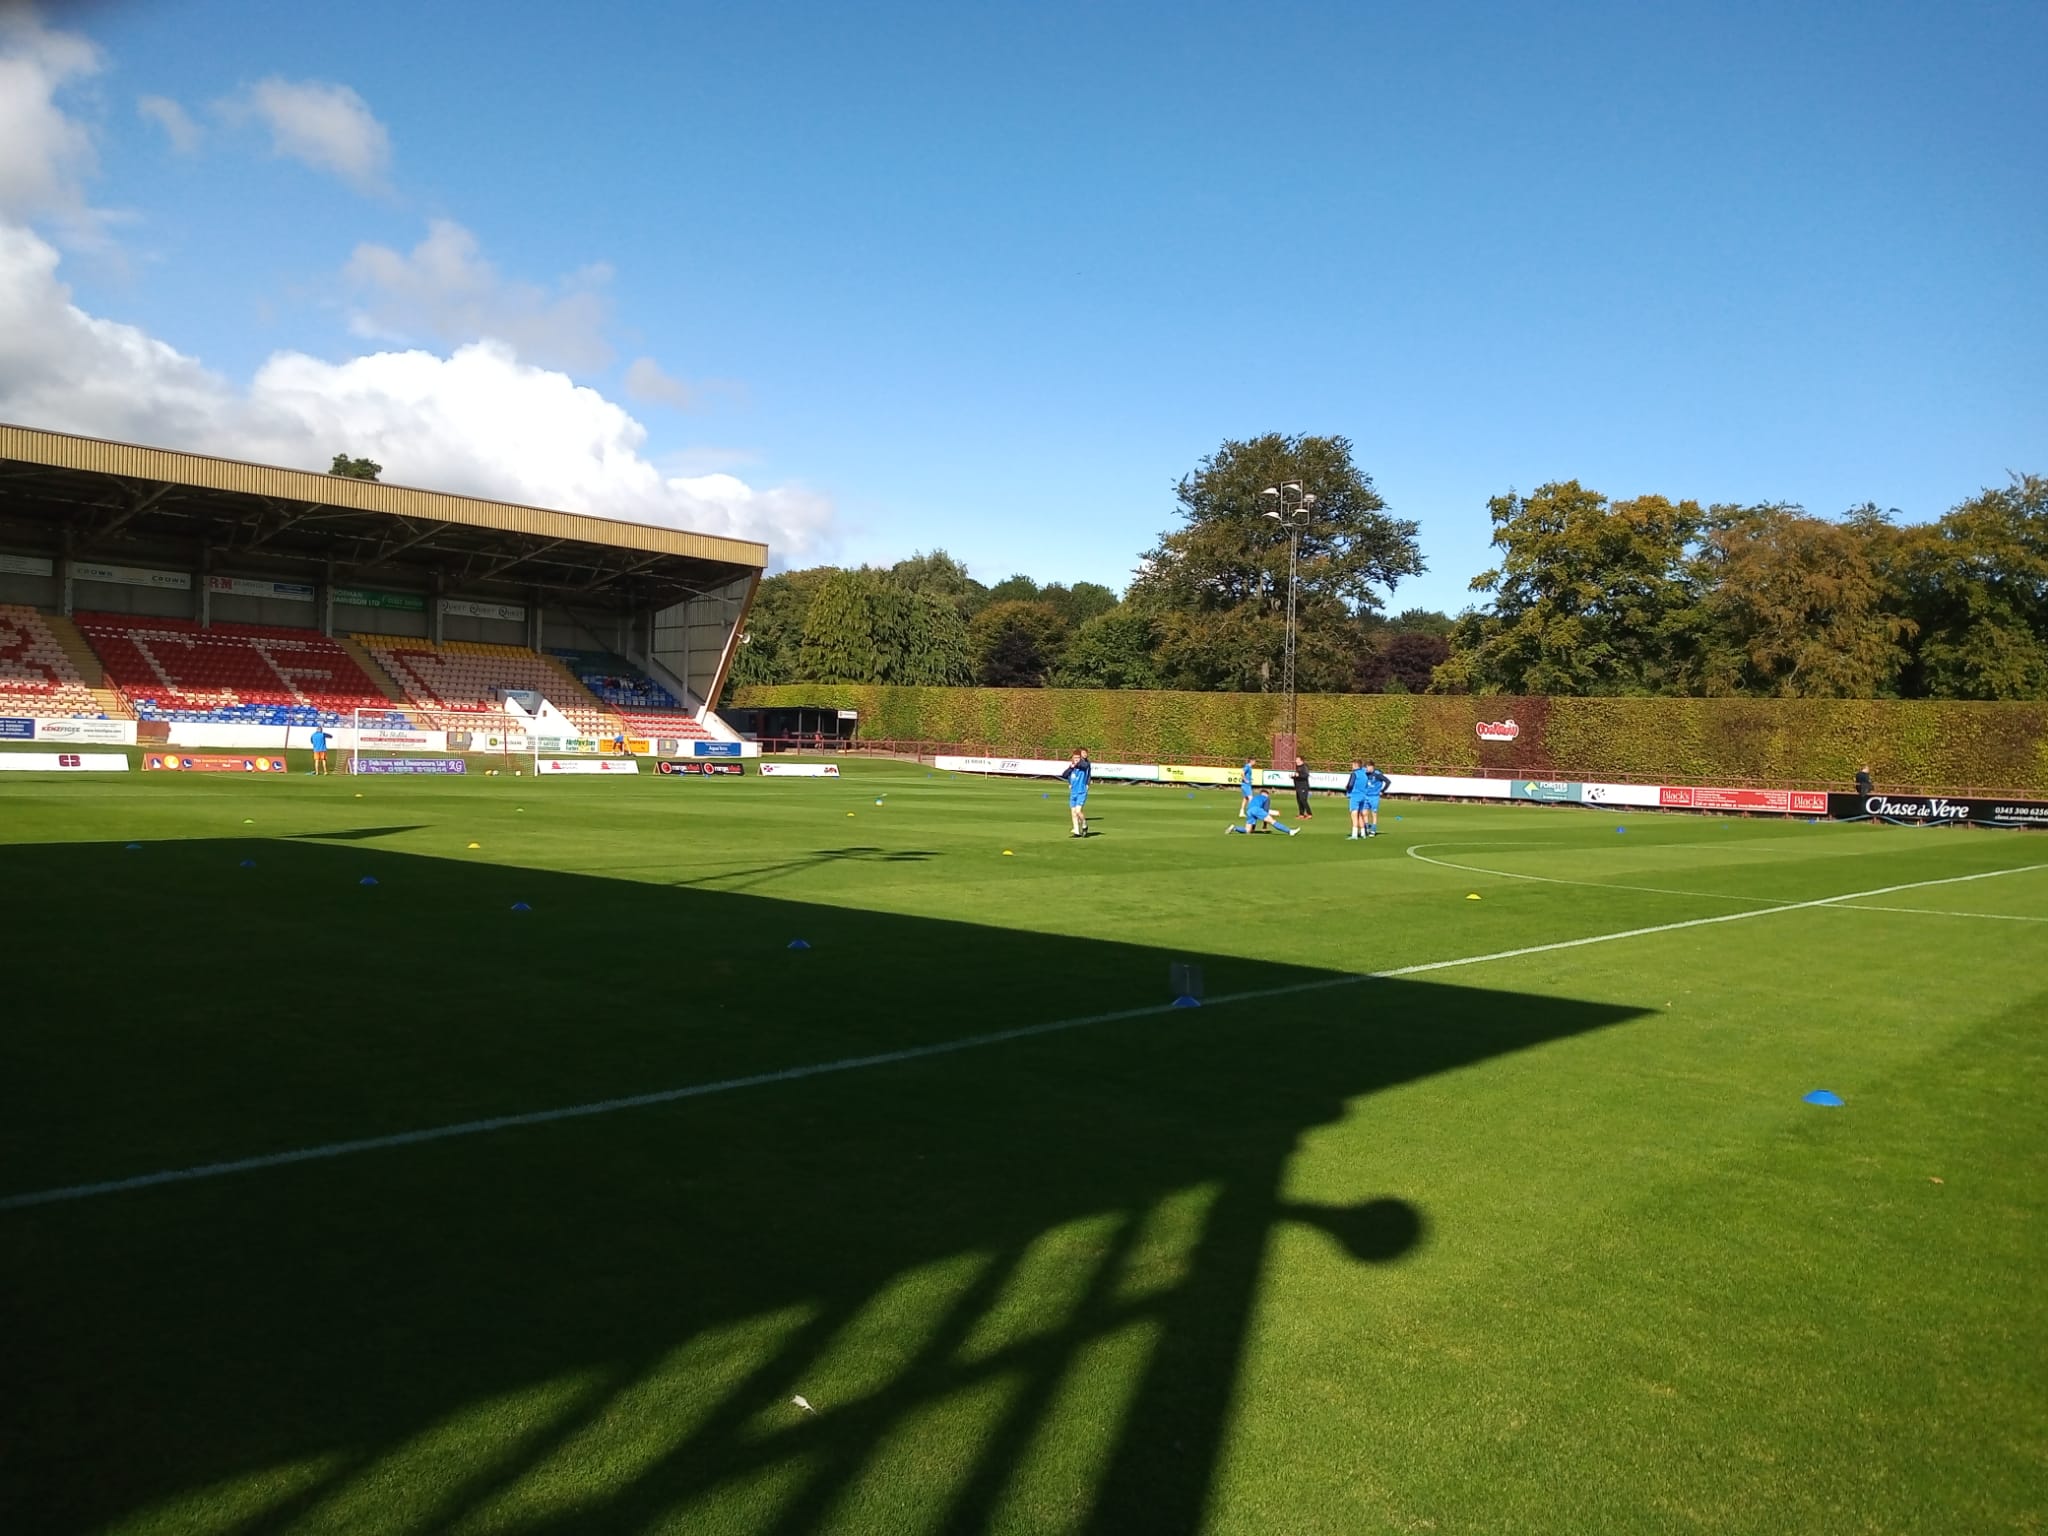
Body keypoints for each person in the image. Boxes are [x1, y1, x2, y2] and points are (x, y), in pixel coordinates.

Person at [1346, 759, 1392, 839]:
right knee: (1364, 813)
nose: (1366, 769)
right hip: (1365, 795)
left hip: (1374, 796)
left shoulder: (1377, 774)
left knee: (1373, 813)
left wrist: (1383, 791)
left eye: (1368, 767)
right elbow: (1360, 769)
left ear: (1372, 767)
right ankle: (1366, 828)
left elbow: (1388, 781)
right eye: (1366, 767)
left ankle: (1373, 829)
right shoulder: (1365, 773)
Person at [1227, 787, 1298, 836]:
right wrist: (1264, 825)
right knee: (1272, 821)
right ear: (1267, 794)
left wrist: (1253, 826)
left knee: (1248, 830)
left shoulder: (1255, 797)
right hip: (1256, 809)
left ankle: (1234, 828)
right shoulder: (1266, 798)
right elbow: (1265, 811)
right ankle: (1289, 831)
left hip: (1249, 810)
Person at [1060, 747, 1092, 837]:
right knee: (1073, 812)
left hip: (1081, 791)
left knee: (1078, 811)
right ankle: (1076, 831)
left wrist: (1077, 764)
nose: (1076, 760)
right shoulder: (1072, 767)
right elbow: (1064, 775)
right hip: (1073, 792)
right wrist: (1071, 768)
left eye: (1078, 758)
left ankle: (1084, 824)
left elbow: (1085, 766)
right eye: (1075, 758)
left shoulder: (1084, 765)